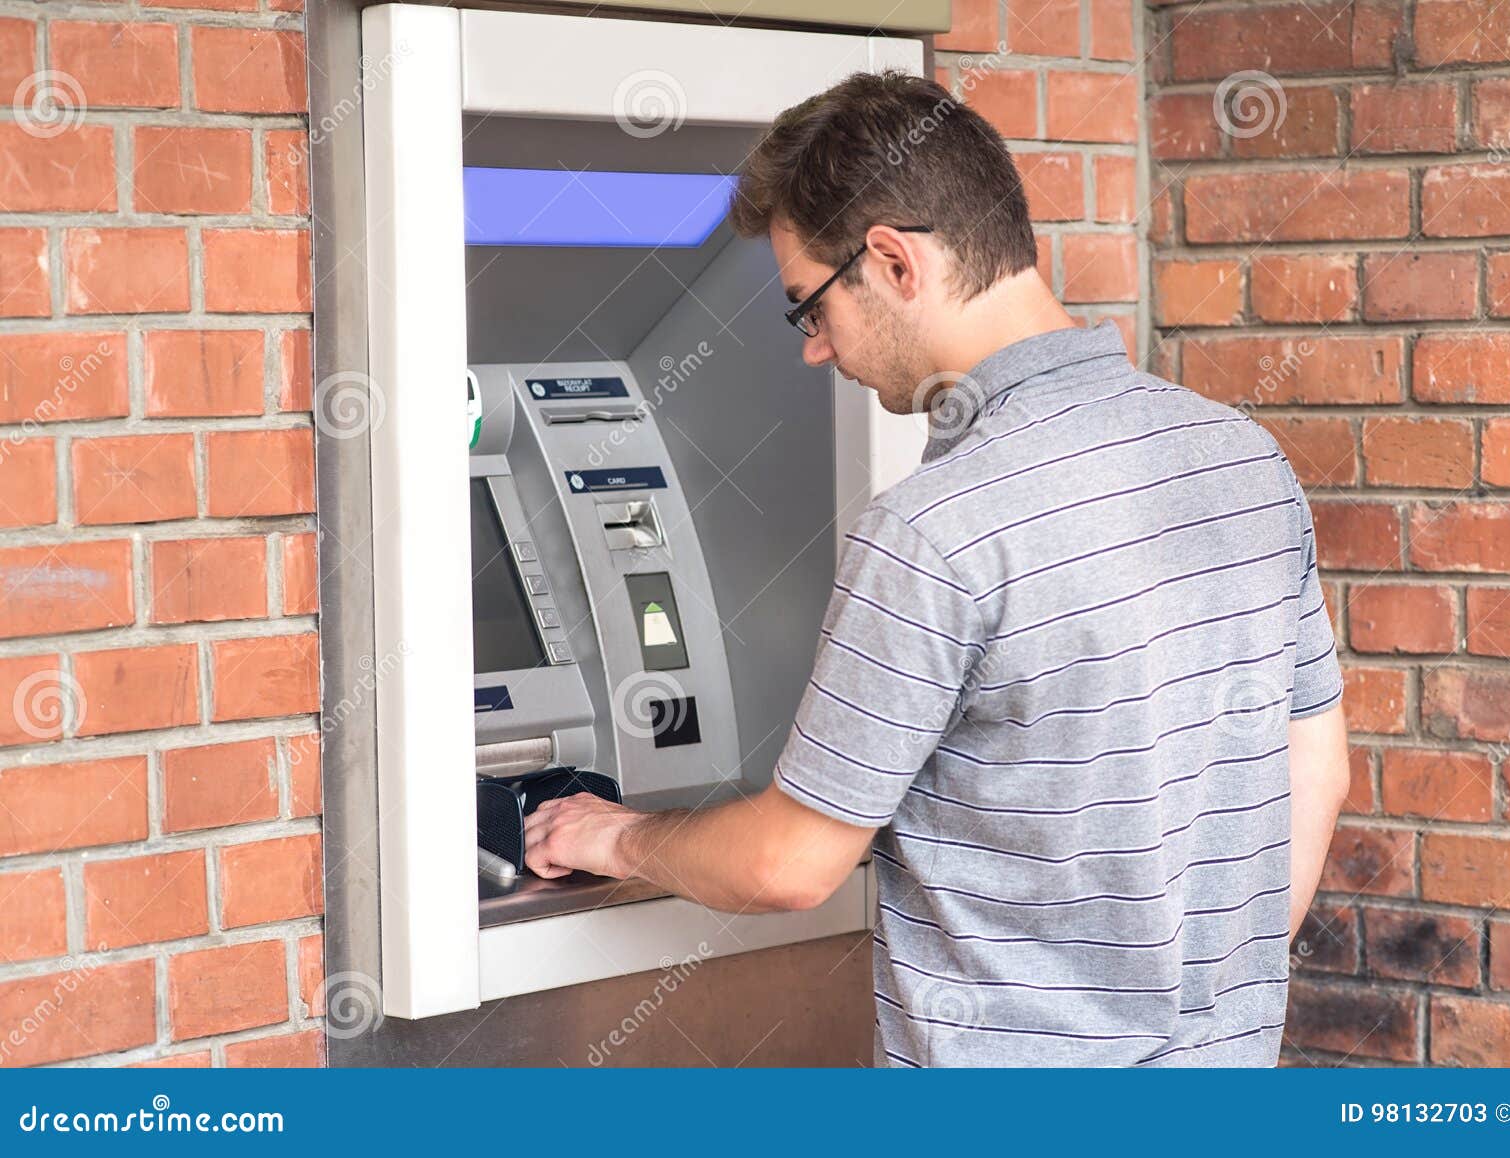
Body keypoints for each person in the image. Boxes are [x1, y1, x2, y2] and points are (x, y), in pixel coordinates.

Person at [522, 70, 1349, 1067]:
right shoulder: (1240, 457)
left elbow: (790, 863)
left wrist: (612, 836)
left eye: (807, 310)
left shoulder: (932, 531)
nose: (815, 353)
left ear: (892, 260)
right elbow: (1316, 771)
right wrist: (1203, 1003)